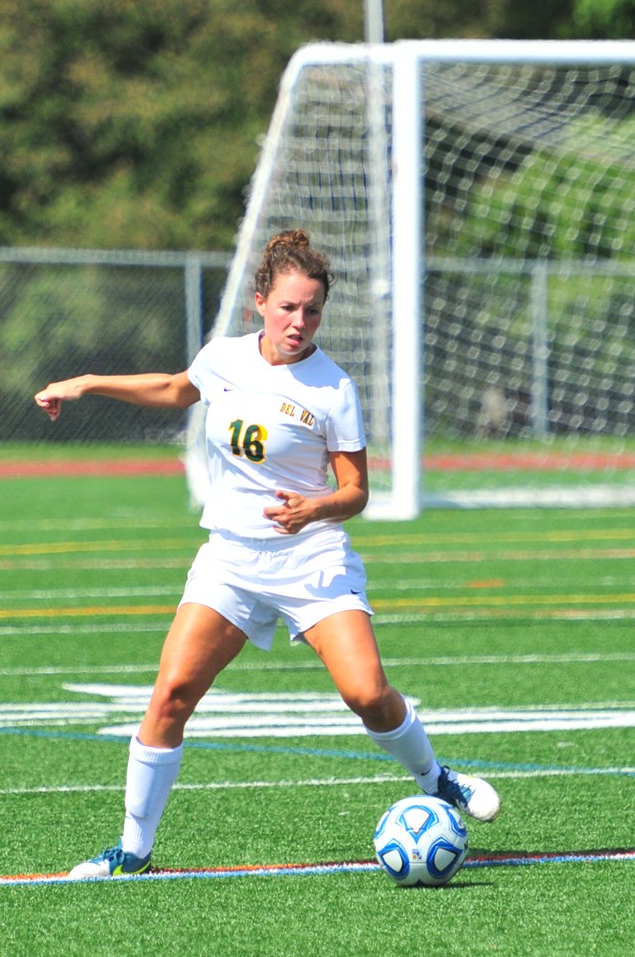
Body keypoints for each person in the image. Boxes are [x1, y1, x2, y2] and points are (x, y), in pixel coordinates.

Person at [33, 229, 499, 879]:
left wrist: (315, 508)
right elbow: (173, 388)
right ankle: (131, 850)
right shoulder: (224, 359)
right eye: (287, 307)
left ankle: (434, 776)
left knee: (367, 693)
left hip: (312, 558)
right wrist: (86, 383)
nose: (299, 322)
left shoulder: (332, 388)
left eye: (312, 310)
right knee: (170, 694)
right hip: (231, 558)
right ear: (260, 302)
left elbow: (357, 490)